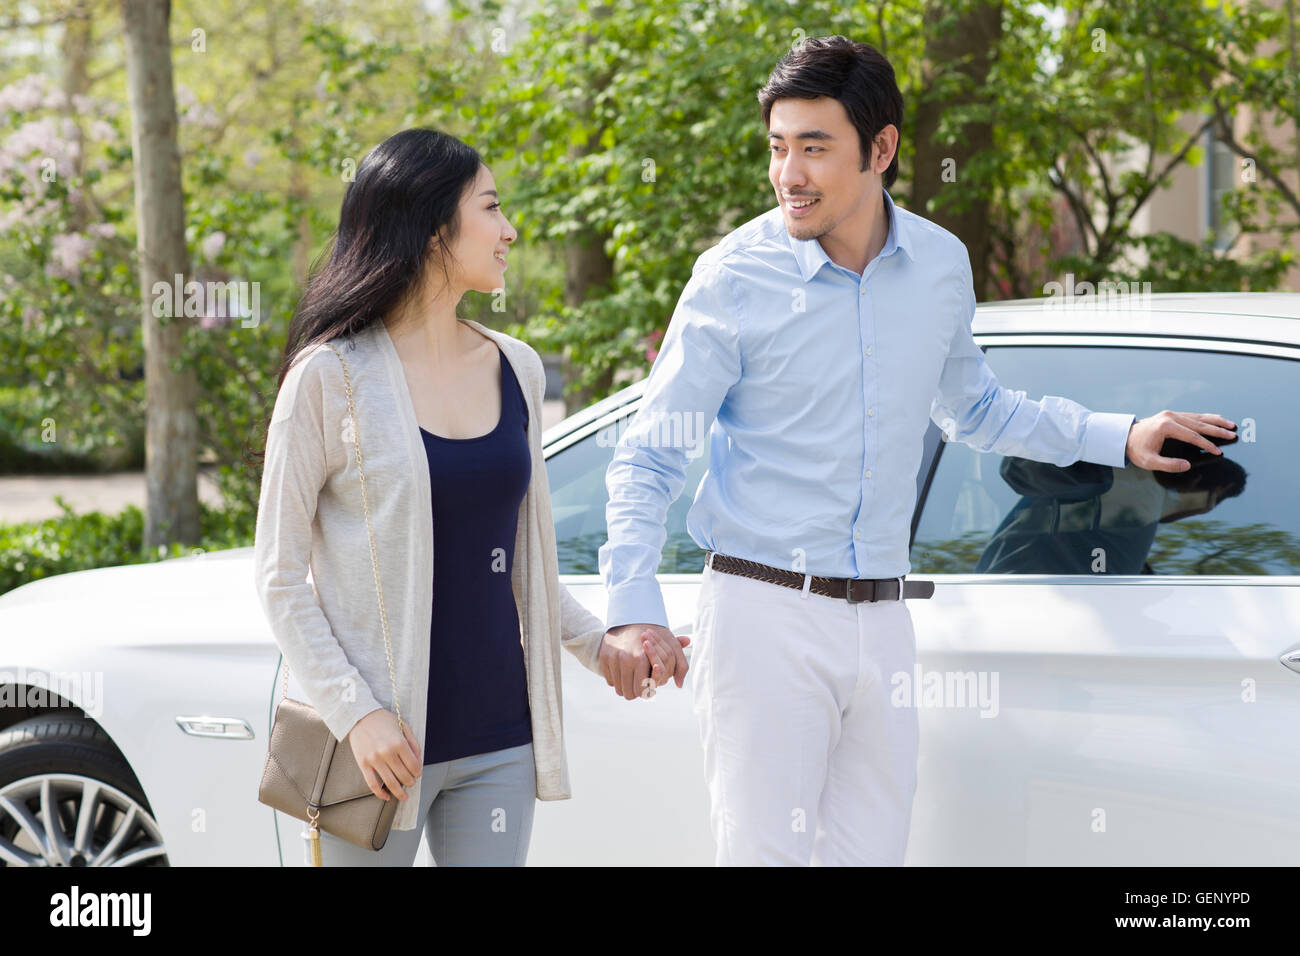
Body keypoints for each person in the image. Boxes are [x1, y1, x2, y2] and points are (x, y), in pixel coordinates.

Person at [601, 35, 1237, 866]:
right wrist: (633, 603)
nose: (789, 173)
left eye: (814, 148)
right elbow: (651, 453)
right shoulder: (733, 276)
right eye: (778, 147)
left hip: (886, 619)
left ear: (883, 148)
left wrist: (1118, 435)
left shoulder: (940, 263)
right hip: (763, 615)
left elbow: (975, 408)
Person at [250, 128, 684, 866]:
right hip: (380, 752)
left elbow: (524, 565)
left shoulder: (516, 368)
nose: (509, 229)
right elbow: (280, 579)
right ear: (430, 230)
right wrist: (357, 716)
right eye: (491, 207)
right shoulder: (329, 379)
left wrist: (601, 641)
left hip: (498, 743)